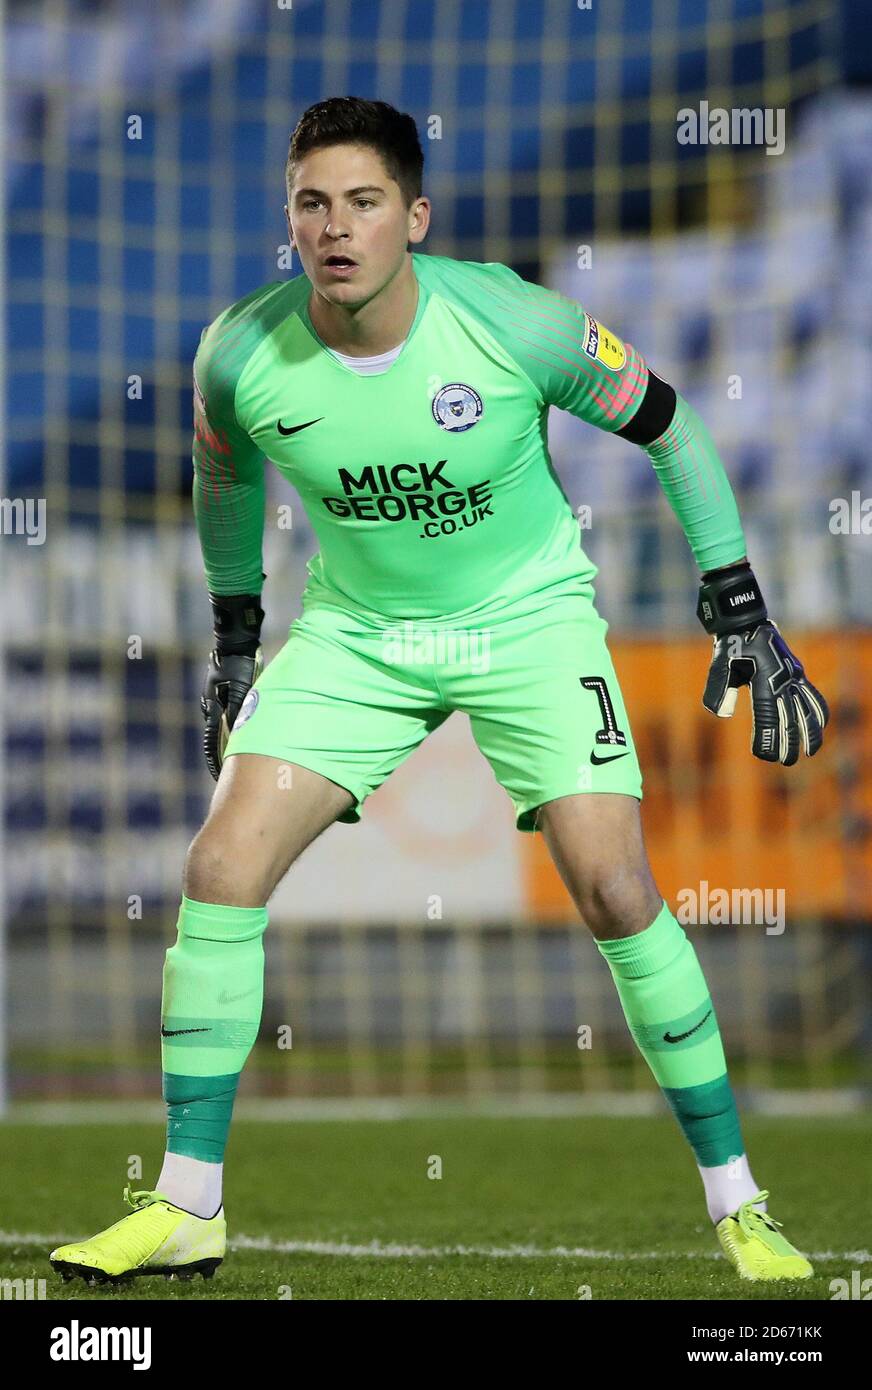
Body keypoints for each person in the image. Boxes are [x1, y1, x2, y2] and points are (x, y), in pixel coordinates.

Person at [50, 96, 828, 1287]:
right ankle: (187, 1206)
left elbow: (672, 431)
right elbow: (226, 486)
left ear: (412, 216)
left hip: (527, 624)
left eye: (363, 202)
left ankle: (739, 1206)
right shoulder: (239, 355)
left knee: (617, 887)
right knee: (218, 868)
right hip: (358, 637)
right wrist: (234, 639)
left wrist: (735, 601)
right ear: (288, 219)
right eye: (312, 203)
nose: (336, 228)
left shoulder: (515, 324)